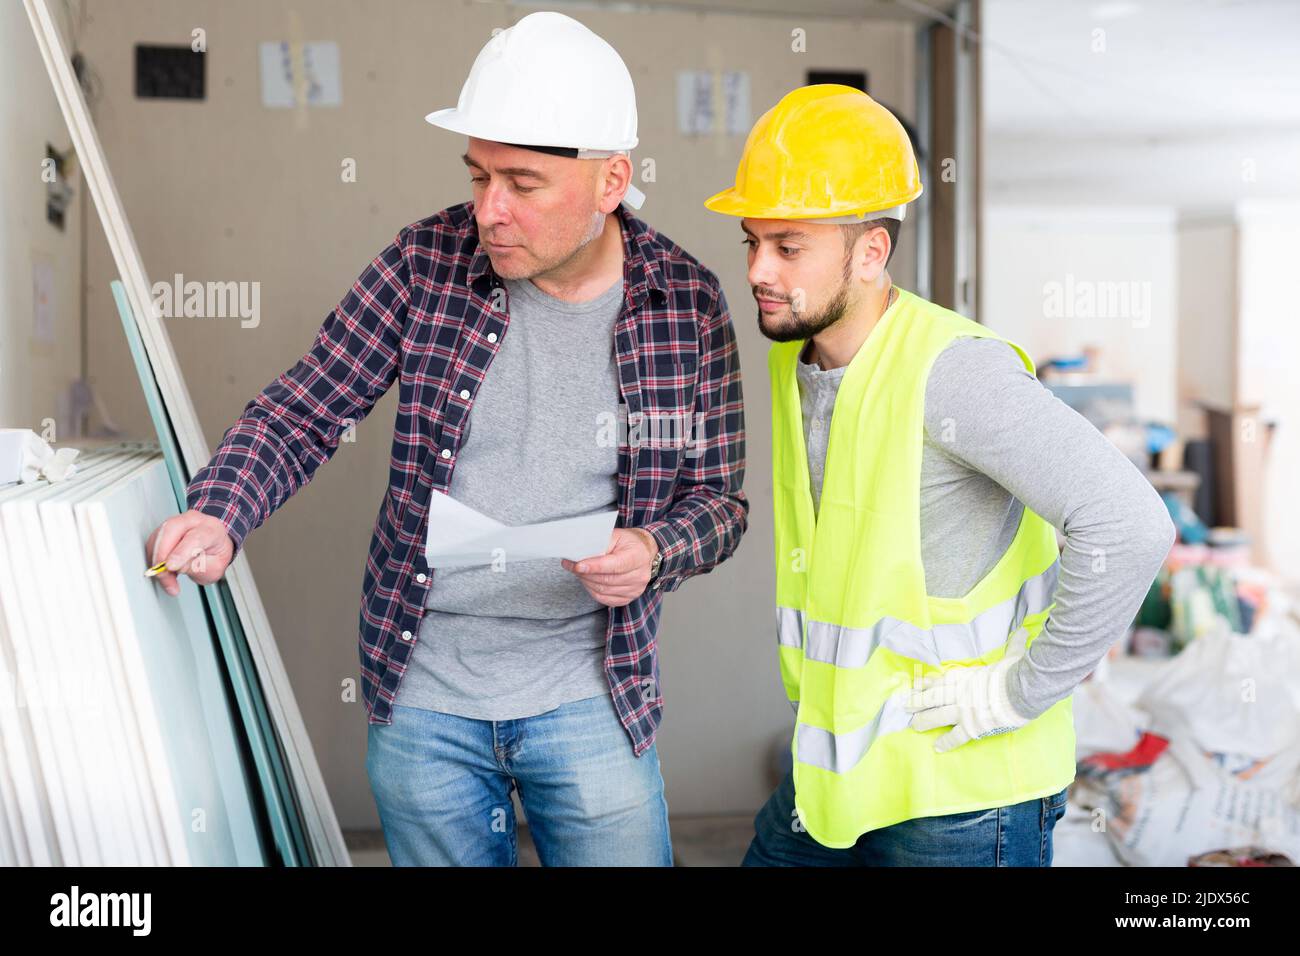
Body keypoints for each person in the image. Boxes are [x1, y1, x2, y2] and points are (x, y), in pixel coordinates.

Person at [146, 11, 748, 866]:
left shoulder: (684, 301)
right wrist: (219, 512)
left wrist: (655, 549)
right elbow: (305, 408)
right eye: (478, 176)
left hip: (595, 696)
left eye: (523, 183)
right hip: (424, 693)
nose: (489, 210)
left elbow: (720, 501)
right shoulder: (425, 262)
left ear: (612, 180)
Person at [703, 84, 1174, 866]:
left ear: (871, 251)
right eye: (751, 242)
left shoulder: (955, 374)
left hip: (964, 792)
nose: (757, 268)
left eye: (788, 247)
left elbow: (1131, 527)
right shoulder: (799, 356)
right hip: (841, 772)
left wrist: (1015, 693)